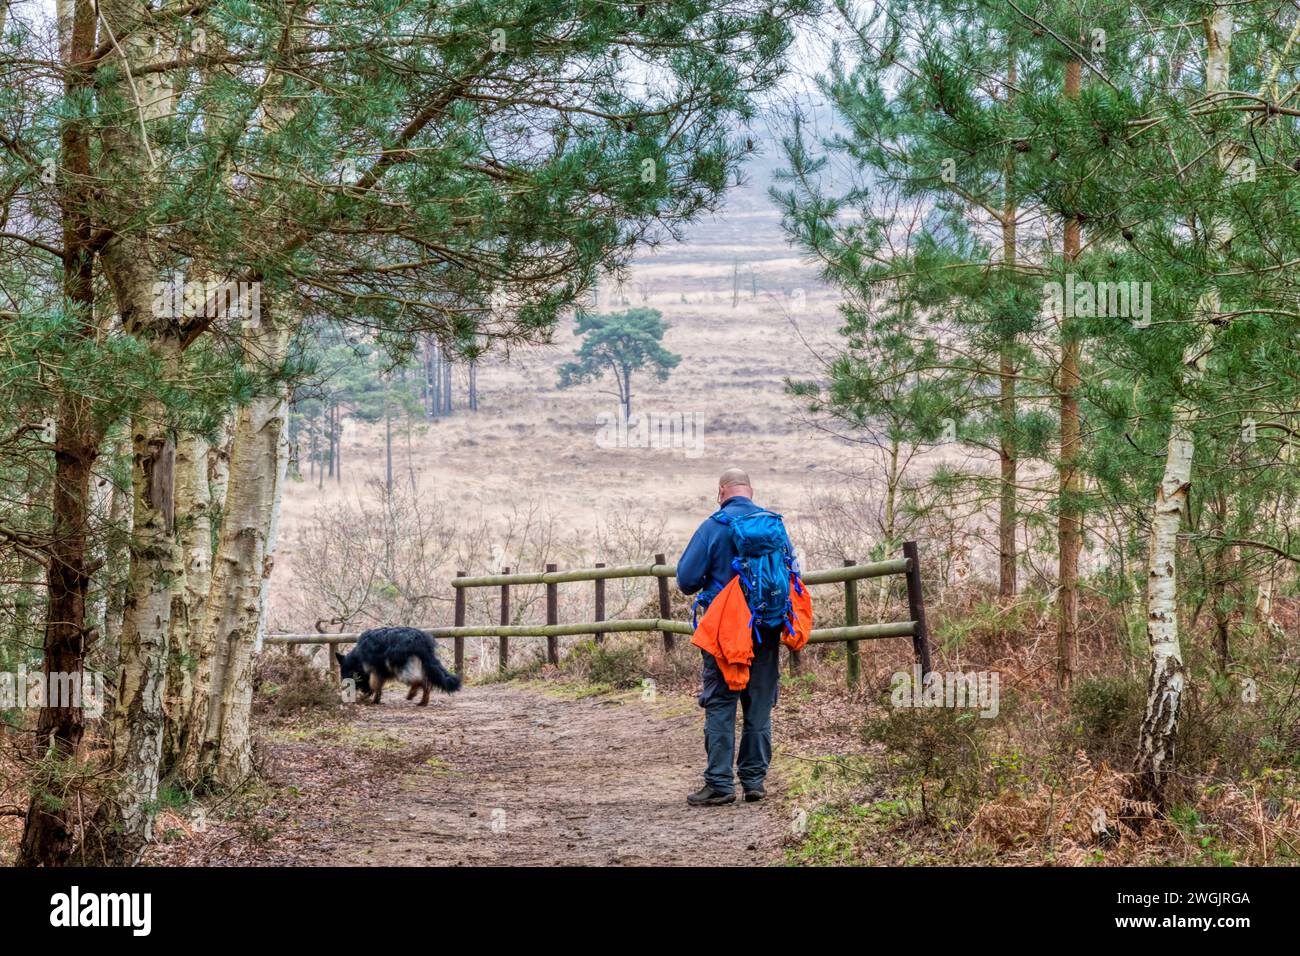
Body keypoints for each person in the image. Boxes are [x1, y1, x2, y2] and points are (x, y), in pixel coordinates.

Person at [676, 467, 792, 806]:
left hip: (726, 632)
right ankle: (754, 782)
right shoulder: (773, 525)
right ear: (750, 491)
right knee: (758, 705)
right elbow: (789, 570)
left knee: (721, 702)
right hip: (767, 628)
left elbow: (686, 579)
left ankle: (720, 785)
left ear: (721, 491)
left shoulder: (714, 526)